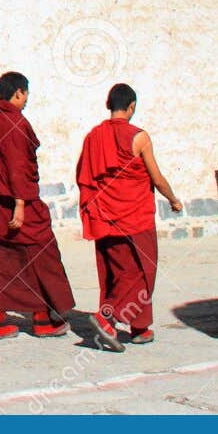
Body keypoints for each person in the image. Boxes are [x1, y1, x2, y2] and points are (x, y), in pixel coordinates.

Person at [0, 71, 121, 350]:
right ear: (19, 93)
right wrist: (20, 205)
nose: (26, 101)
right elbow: (17, 166)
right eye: (26, 95)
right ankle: (44, 318)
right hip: (15, 205)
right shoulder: (14, 123)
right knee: (42, 254)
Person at [76, 82, 182, 345]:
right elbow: (156, 177)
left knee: (117, 272)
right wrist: (173, 199)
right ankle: (105, 317)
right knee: (139, 272)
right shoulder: (140, 137)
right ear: (132, 106)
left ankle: (140, 327)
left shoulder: (92, 137)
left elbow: (84, 178)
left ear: (108, 105)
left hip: (105, 215)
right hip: (135, 216)